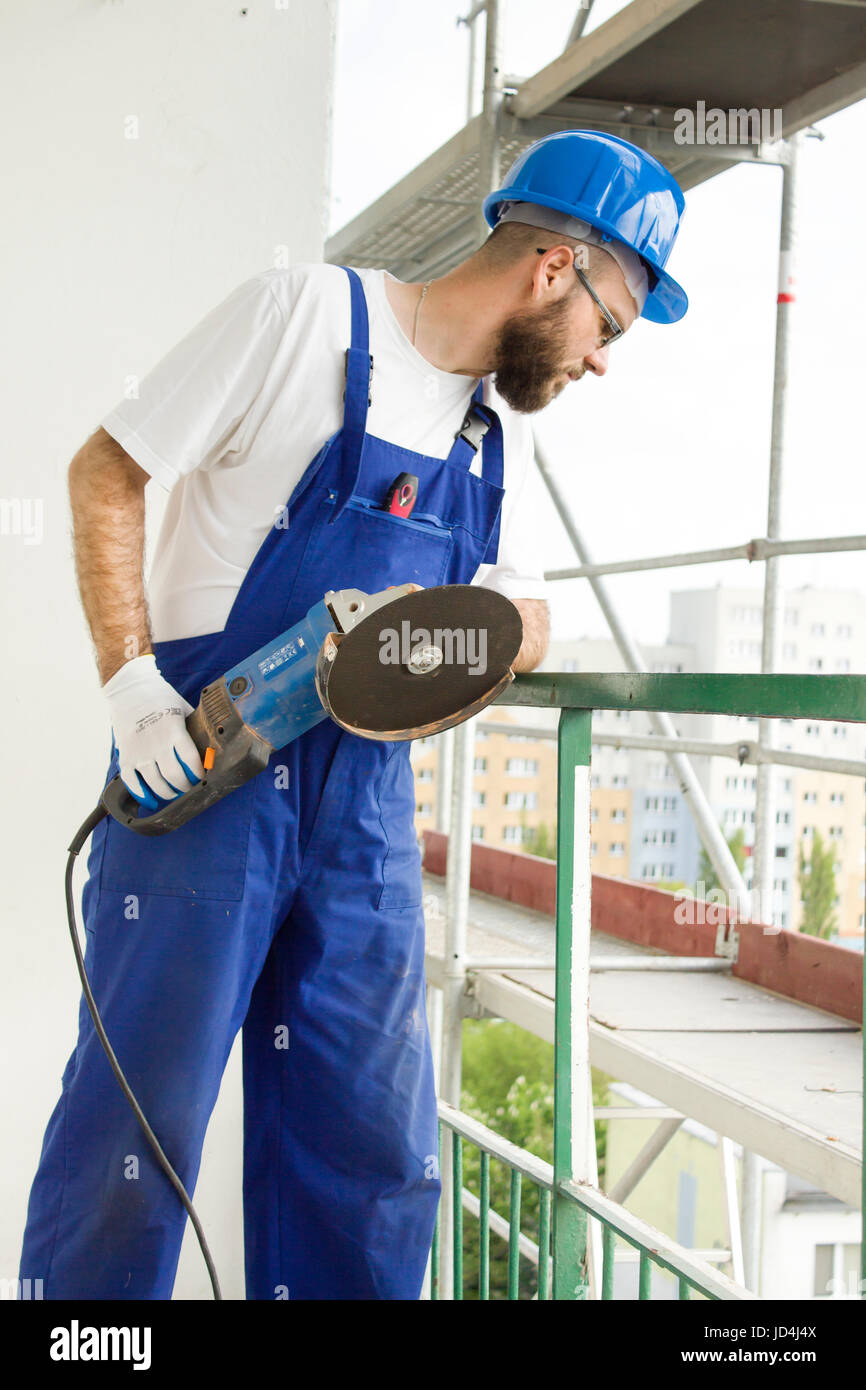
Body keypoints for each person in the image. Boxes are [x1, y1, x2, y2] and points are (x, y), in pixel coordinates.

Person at [20, 129, 688, 1299]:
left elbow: (527, 610)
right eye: (610, 329)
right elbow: (106, 470)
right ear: (553, 270)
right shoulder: (301, 317)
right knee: (138, 1122)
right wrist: (132, 687)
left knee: (369, 1143)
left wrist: (465, 627)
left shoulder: (490, 431)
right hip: (210, 773)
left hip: (364, 809)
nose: (597, 364)